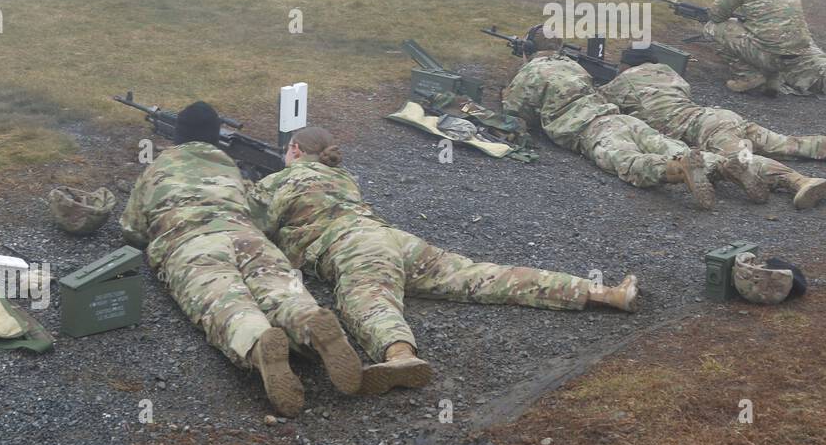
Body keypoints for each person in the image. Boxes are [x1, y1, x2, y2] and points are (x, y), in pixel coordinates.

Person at [249, 127, 638, 395]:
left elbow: (247, 222)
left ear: (295, 151)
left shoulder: (282, 181)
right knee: (482, 276)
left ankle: (399, 356)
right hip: (391, 238)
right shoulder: (342, 176)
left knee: (366, 295)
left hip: (353, 245)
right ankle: (603, 292)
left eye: (288, 151)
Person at [120, 102, 362, 417]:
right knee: (278, 286)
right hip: (246, 236)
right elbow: (253, 207)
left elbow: (132, 229)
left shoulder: (157, 168)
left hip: (191, 242)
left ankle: (258, 340)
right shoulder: (228, 165)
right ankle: (309, 321)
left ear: (177, 136)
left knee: (222, 299)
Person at [599, 54, 826, 208]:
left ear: (625, 65)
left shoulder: (620, 84)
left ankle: (799, 181)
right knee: (788, 143)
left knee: (746, 161)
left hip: (704, 129)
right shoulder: (666, 70)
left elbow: (605, 109)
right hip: (718, 115)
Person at [501, 52, 770, 209]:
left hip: (590, 130)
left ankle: (678, 169)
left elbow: (515, 113)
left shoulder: (530, 72)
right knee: (670, 144)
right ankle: (725, 166)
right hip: (621, 118)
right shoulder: (574, 65)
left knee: (630, 163)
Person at [703, 0, 814, 95]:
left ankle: (748, 76)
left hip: (768, 54)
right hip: (796, 56)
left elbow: (717, 14)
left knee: (712, 28)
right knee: (773, 36)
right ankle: (773, 80)